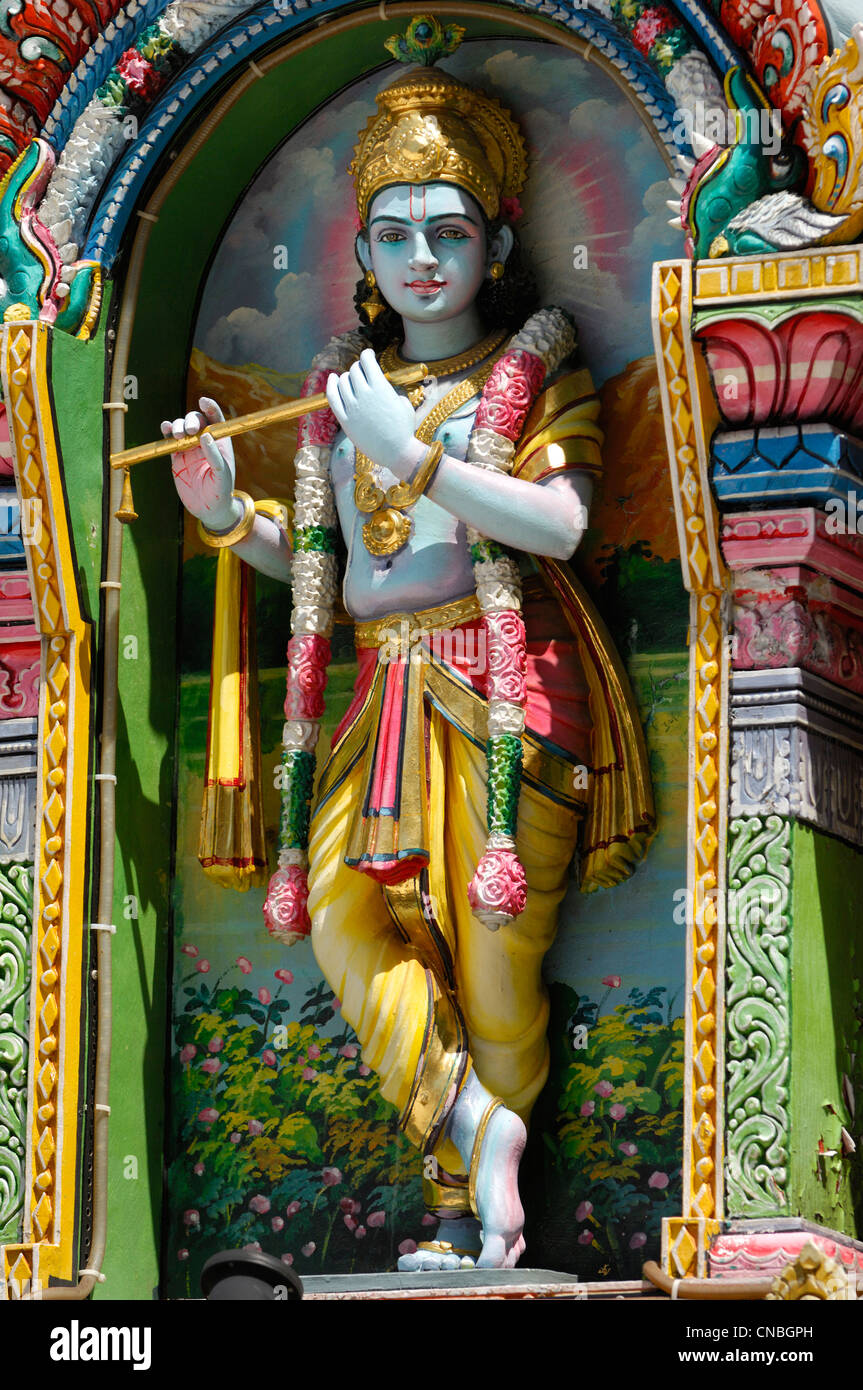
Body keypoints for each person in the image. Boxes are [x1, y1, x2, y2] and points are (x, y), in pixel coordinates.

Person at [164, 20, 653, 1271]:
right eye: (393, 234)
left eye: (447, 231)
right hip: (376, 698)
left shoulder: (535, 371)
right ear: (367, 253)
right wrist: (228, 513)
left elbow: (556, 522)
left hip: (506, 693)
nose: (421, 259)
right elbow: (336, 563)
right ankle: (475, 1126)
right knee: (338, 919)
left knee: (491, 968)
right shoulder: (346, 385)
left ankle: (474, 1216)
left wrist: (412, 452)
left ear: (494, 239)